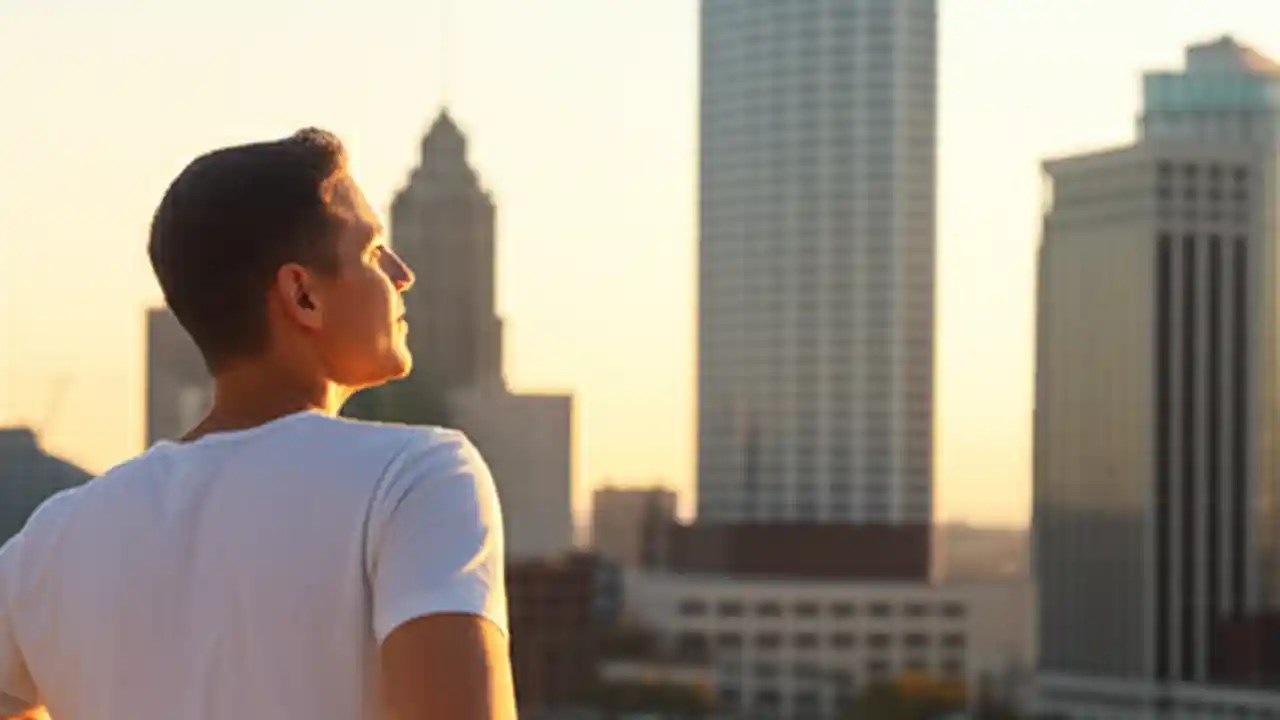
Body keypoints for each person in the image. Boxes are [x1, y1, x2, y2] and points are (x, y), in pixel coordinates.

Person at [0, 129, 516, 719]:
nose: (402, 274)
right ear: (302, 295)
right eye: (373, 252)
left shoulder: (50, 542)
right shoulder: (416, 478)